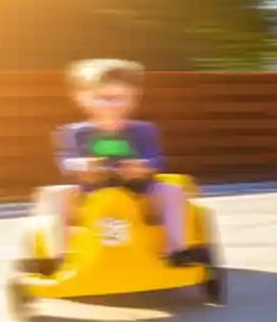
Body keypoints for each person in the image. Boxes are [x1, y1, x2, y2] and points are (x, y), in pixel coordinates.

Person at [47, 58, 196, 265]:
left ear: (133, 99)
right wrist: (82, 165)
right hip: (91, 193)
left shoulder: (143, 130)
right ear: (82, 98)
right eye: (103, 98)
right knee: (55, 195)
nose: (111, 105)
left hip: (139, 191)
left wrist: (143, 166)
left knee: (172, 191)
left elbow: (157, 158)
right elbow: (65, 160)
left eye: (119, 98)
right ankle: (59, 255)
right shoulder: (75, 132)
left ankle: (177, 251)